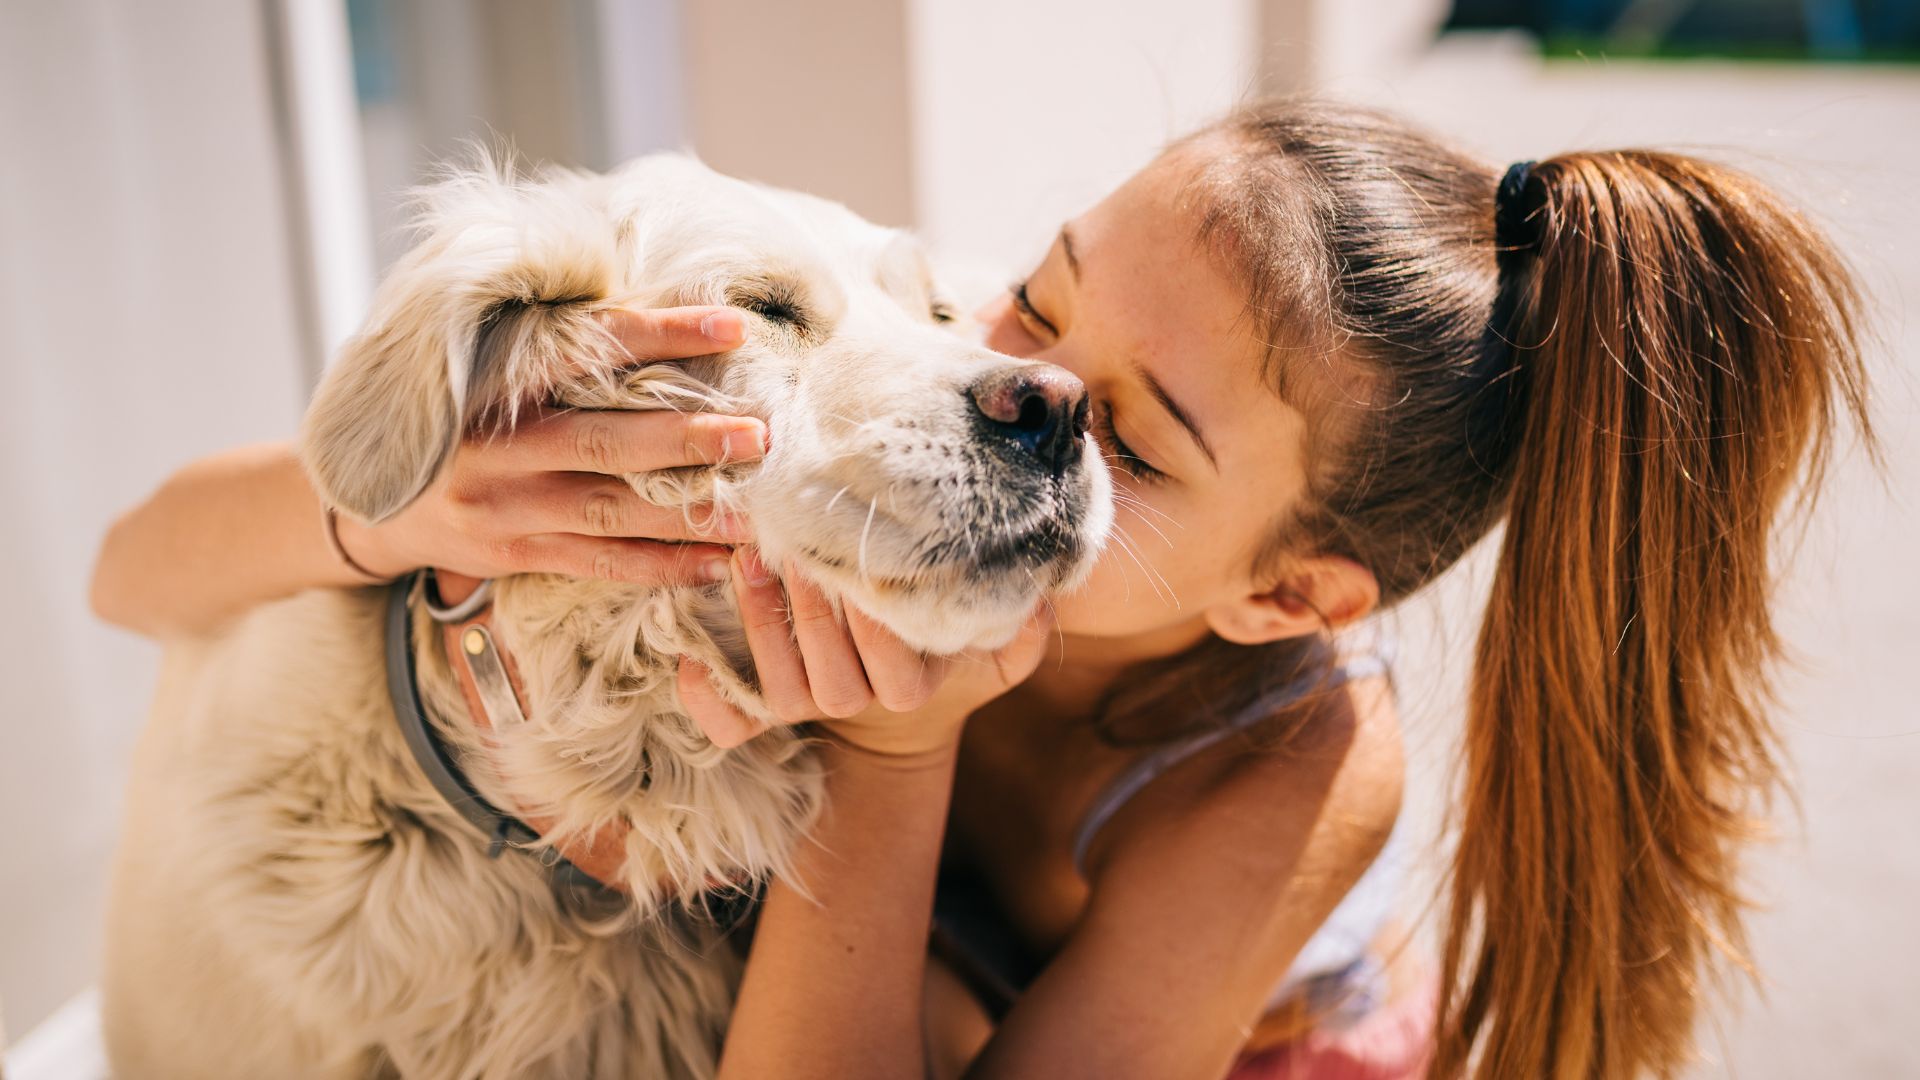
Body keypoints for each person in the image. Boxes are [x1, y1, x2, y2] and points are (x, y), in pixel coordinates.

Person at [91, 100, 1871, 1079]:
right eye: (1030, 291)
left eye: (1143, 444)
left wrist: (897, 751)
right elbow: (131, 570)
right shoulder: (925, 430)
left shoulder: (1286, 769)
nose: (1018, 392)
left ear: (1284, 598)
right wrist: (412, 515)